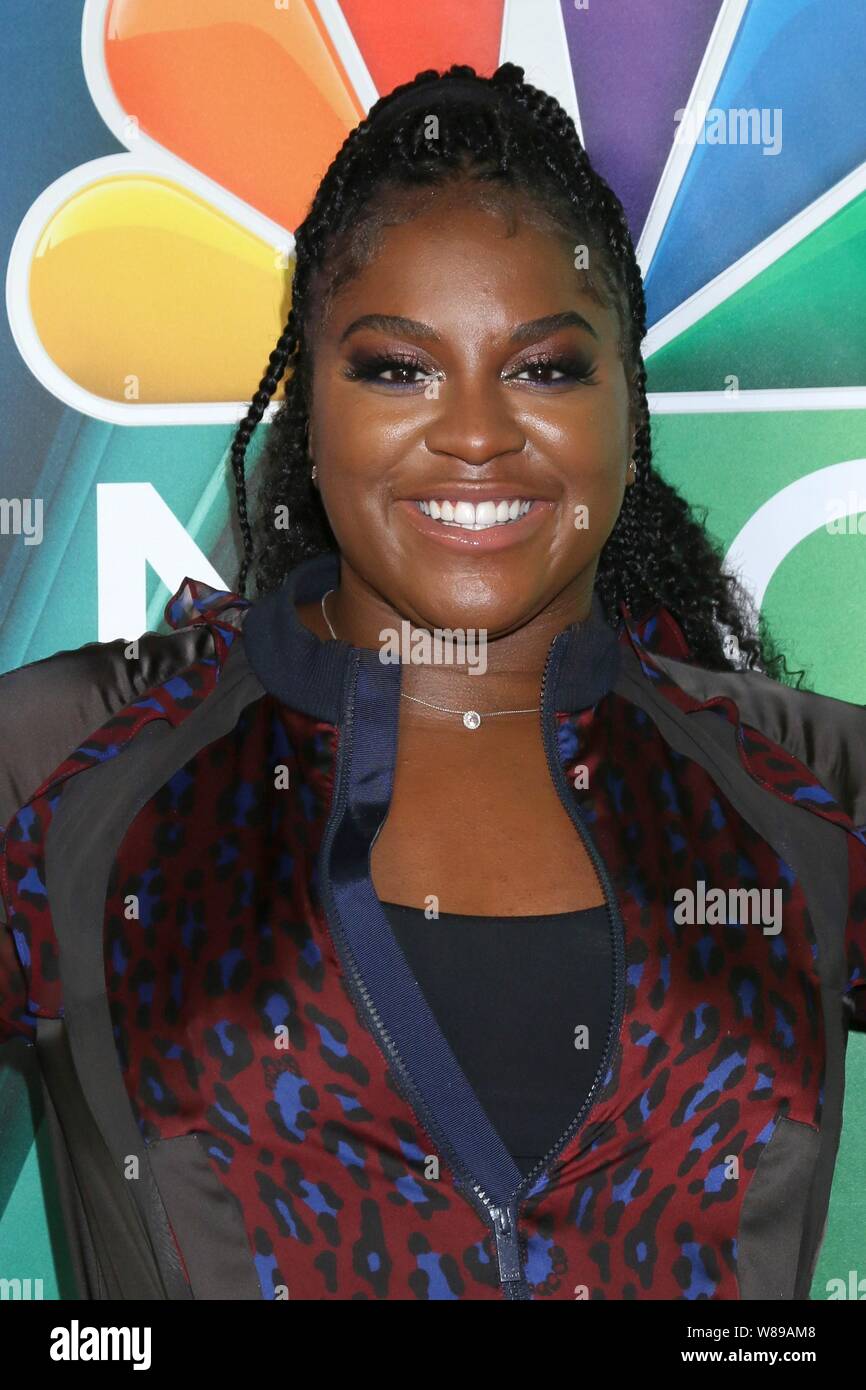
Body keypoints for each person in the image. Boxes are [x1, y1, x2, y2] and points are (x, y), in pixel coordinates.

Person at [1, 62, 865, 1302]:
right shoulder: (63, 766)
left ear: (629, 402)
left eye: (545, 368)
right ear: (310, 402)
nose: (472, 431)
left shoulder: (805, 789)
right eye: (397, 367)